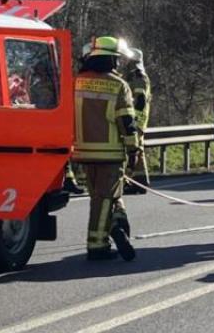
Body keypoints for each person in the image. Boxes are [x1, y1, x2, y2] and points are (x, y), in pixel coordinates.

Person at [72, 36, 140, 262]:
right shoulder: (119, 85)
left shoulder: (76, 82)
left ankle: (116, 223)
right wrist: (134, 150)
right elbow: (127, 123)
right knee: (105, 199)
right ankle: (98, 244)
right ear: (111, 59)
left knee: (100, 197)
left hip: (81, 152)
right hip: (109, 153)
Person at [124, 49, 152, 194]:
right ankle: (141, 182)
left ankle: (128, 180)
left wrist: (132, 120)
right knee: (138, 150)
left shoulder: (138, 77)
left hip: (137, 120)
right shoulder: (134, 76)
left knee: (131, 150)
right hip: (139, 120)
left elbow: (139, 100)